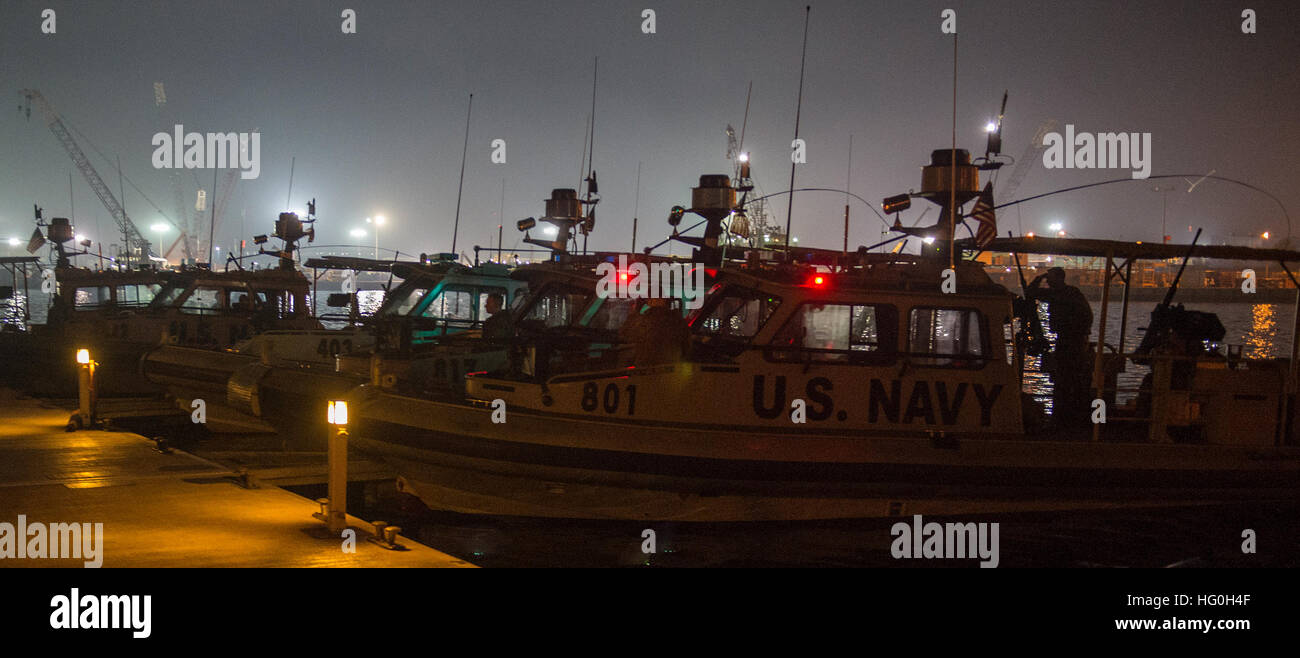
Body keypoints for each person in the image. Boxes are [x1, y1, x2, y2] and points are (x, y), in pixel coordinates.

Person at [1027, 267, 1094, 427]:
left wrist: (1039, 278)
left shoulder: (1065, 294)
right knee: (1063, 377)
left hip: (1072, 340)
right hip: (1066, 339)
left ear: (1058, 278)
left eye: (1050, 278)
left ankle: (1066, 416)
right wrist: (1040, 278)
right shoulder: (1061, 293)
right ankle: (1063, 414)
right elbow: (1030, 293)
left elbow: (1031, 292)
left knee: (1067, 378)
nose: (1048, 281)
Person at [618, 297, 690, 366]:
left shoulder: (642, 321)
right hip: (672, 369)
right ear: (665, 300)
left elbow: (624, 335)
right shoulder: (678, 321)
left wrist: (636, 310)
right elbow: (686, 347)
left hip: (645, 371)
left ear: (648, 301)